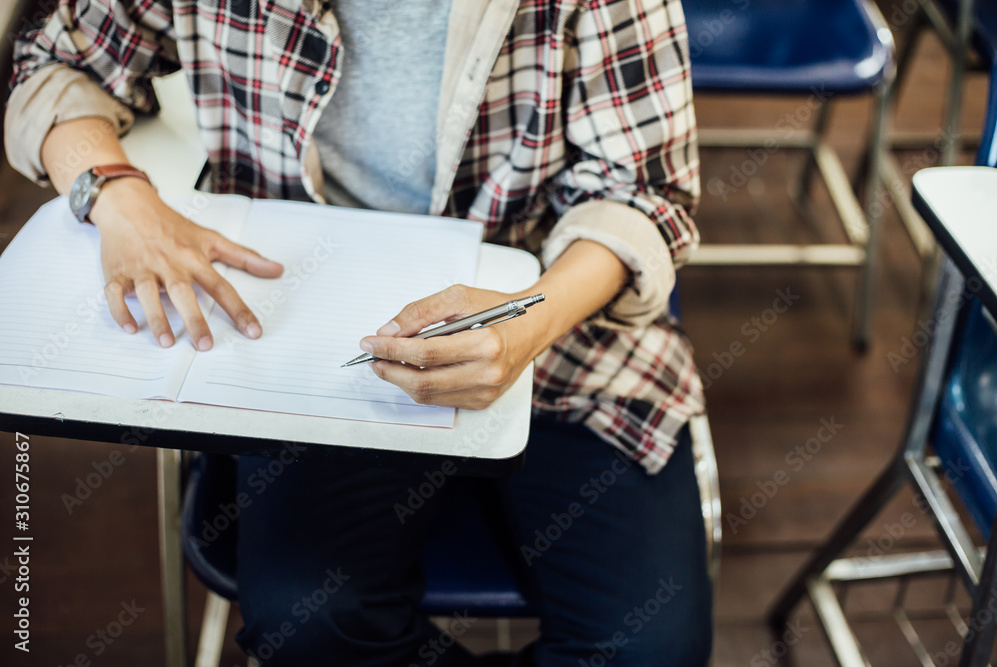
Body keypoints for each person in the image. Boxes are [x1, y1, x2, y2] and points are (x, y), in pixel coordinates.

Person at [6, 0, 711, 664]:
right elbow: (51, 59)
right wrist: (113, 191)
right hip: (314, 349)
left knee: (650, 650)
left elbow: (643, 193)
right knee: (310, 624)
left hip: (561, 332)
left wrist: (529, 319)